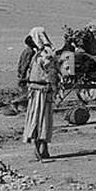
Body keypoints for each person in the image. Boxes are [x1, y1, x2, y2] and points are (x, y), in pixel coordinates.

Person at [22, 26, 59, 160]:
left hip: (42, 92)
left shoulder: (46, 54)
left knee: (40, 119)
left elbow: (51, 72)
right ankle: (42, 149)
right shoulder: (37, 53)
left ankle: (41, 149)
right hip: (36, 91)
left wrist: (53, 87)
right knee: (38, 119)